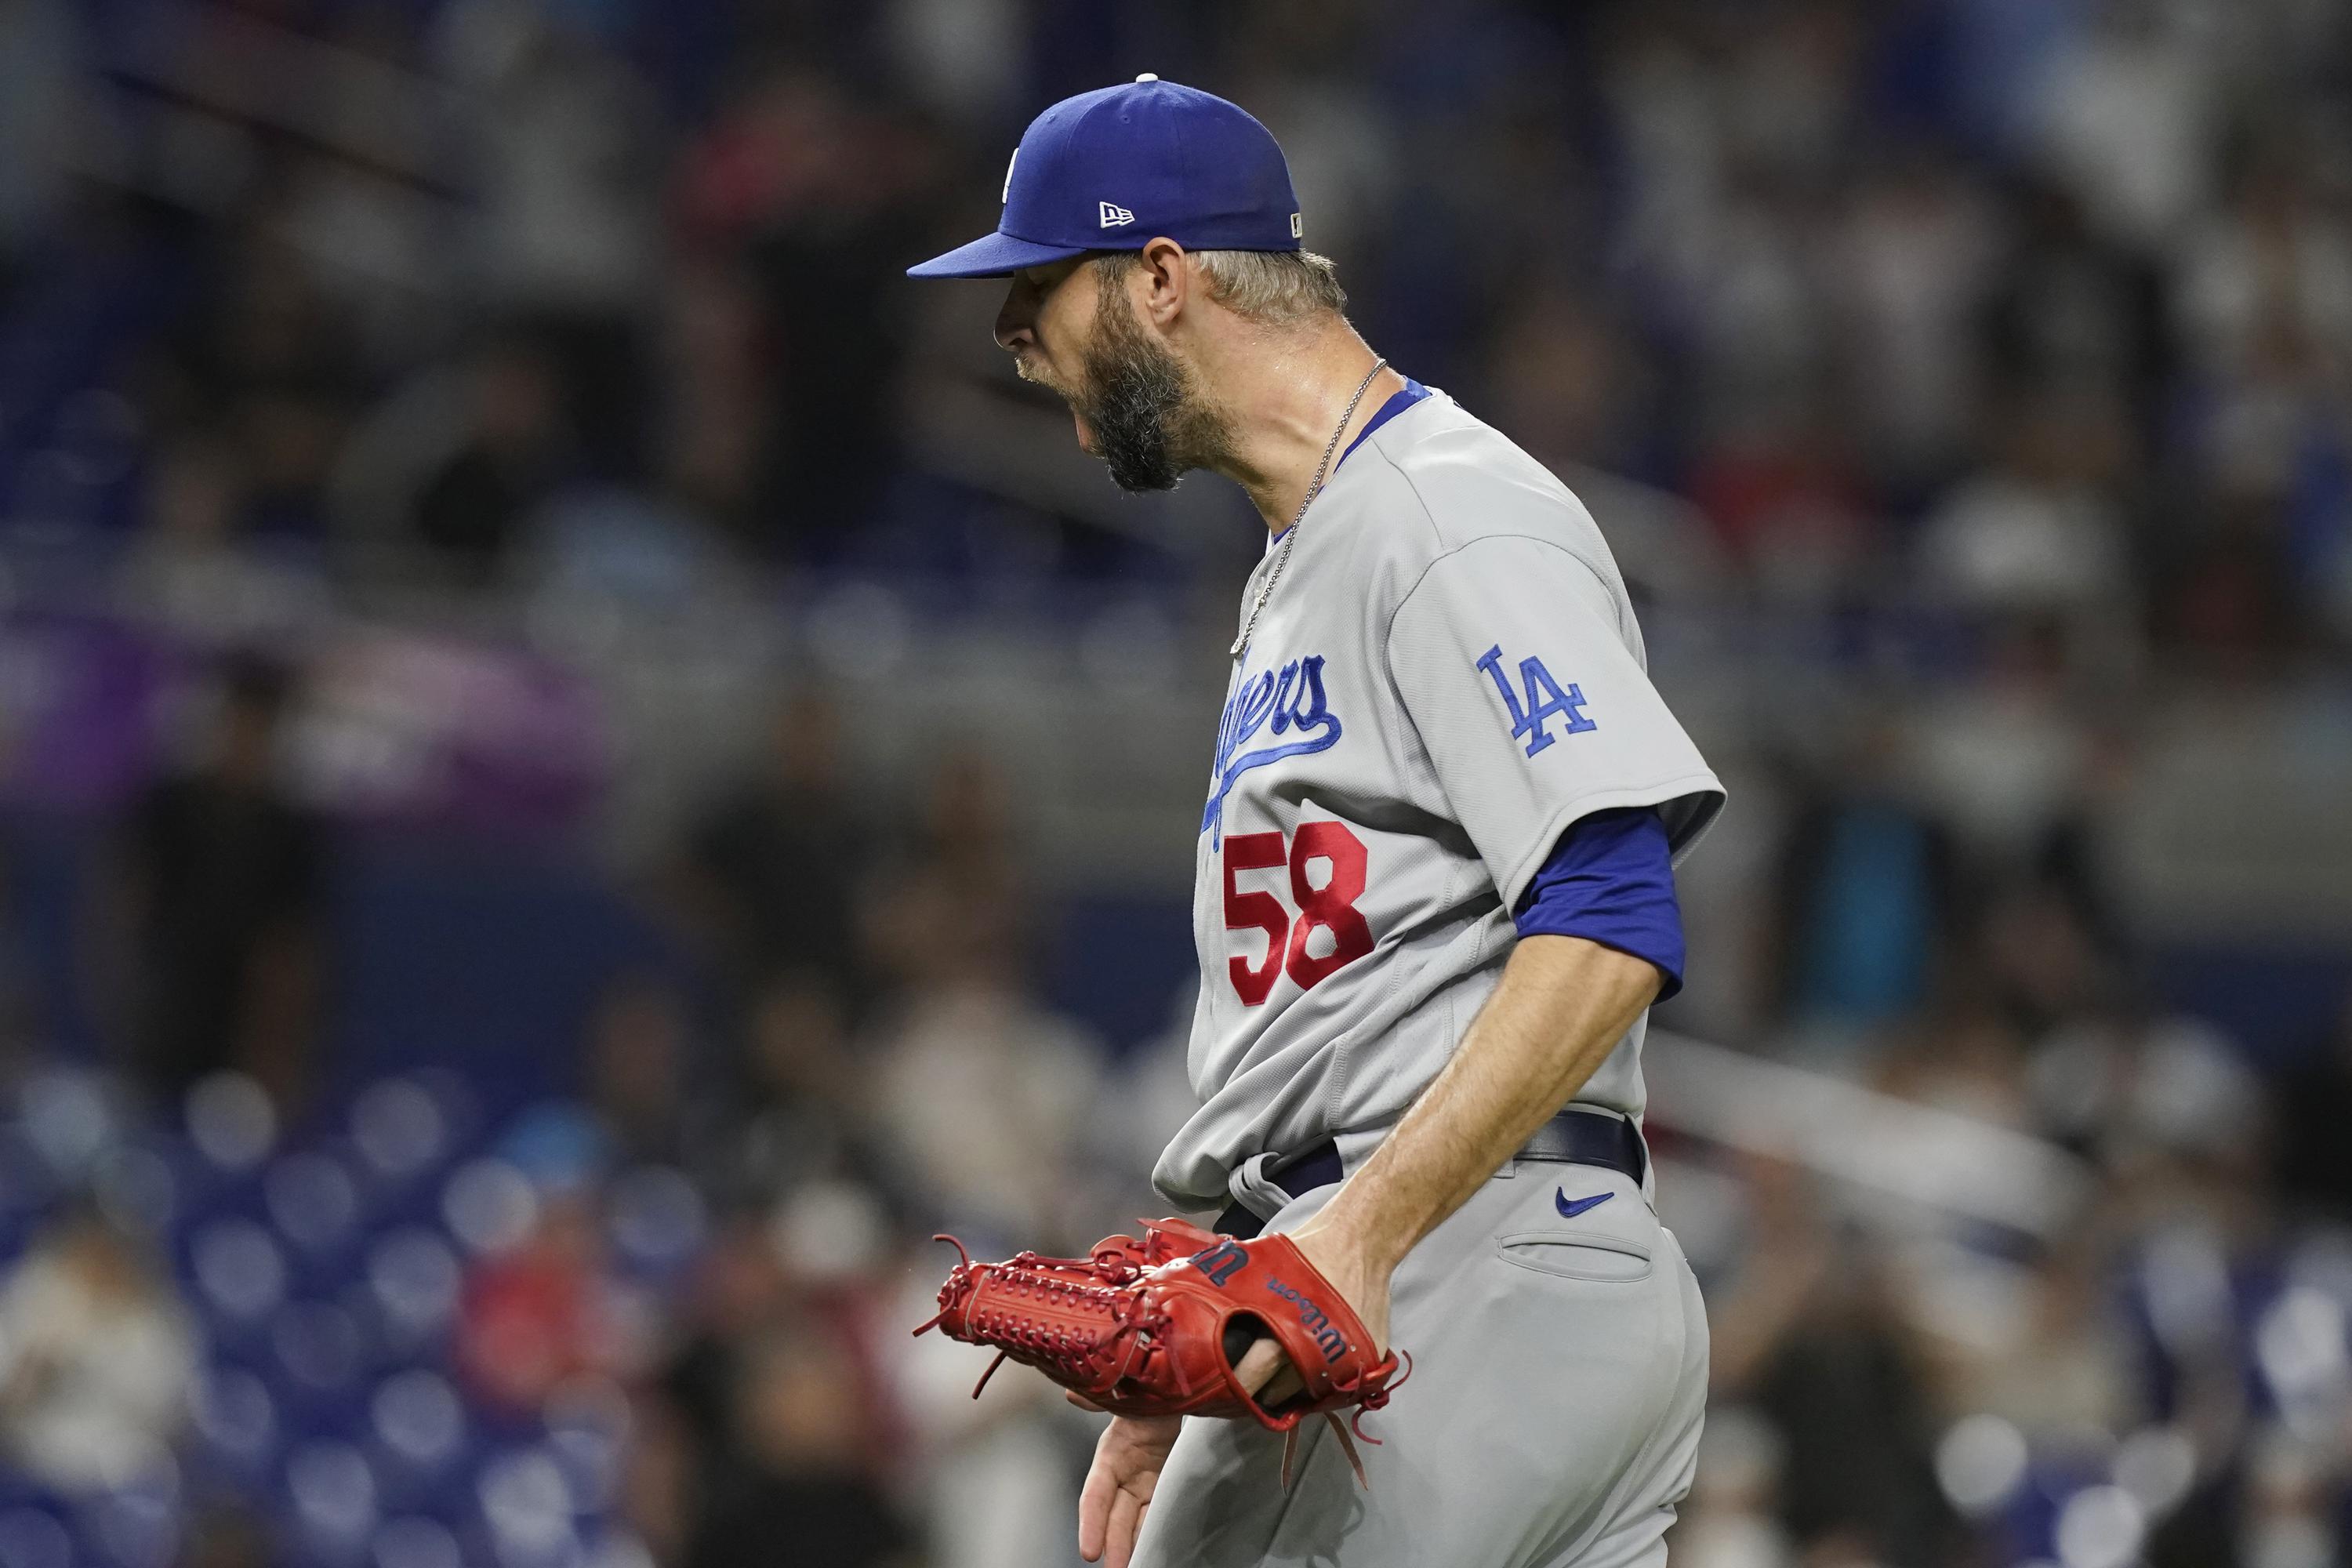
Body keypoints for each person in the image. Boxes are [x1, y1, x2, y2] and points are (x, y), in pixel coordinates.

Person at [906, 78, 1726, 1568]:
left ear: (1159, 278)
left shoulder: (1444, 512)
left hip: (1451, 1280)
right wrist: (1231, 1303)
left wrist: (1355, 1236)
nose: (1019, 349)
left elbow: (1611, 922)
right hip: (1446, 1277)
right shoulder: (1318, 551)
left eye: (1038, 299)